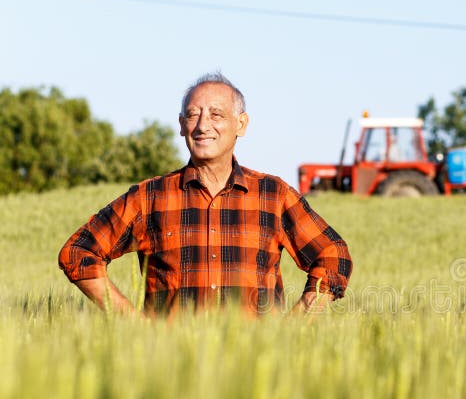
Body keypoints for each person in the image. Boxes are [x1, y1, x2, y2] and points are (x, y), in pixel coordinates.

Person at [59, 73, 352, 316]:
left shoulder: (273, 196)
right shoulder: (149, 198)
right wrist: (132, 324)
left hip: (257, 363)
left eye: (216, 115)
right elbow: (78, 252)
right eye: (193, 115)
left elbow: (333, 255)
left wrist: (295, 326)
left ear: (241, 124)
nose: (202, 126)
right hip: (171, 368)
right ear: (181, 125)